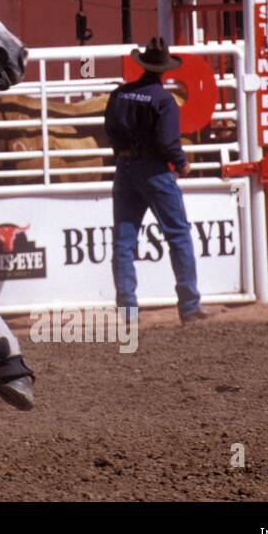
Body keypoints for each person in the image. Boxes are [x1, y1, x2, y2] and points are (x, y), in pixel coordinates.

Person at [103, 37, 210, 323]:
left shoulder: (120, 94)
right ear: (165, 69)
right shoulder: (163, 100)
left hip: (125, 167)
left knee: (124, 241)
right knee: (178, 235)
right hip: (155, 171)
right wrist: (182, 163)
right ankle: (189, 306)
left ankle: (127, 309)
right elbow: (167, 140)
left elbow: (110, 130)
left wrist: (123, 152)